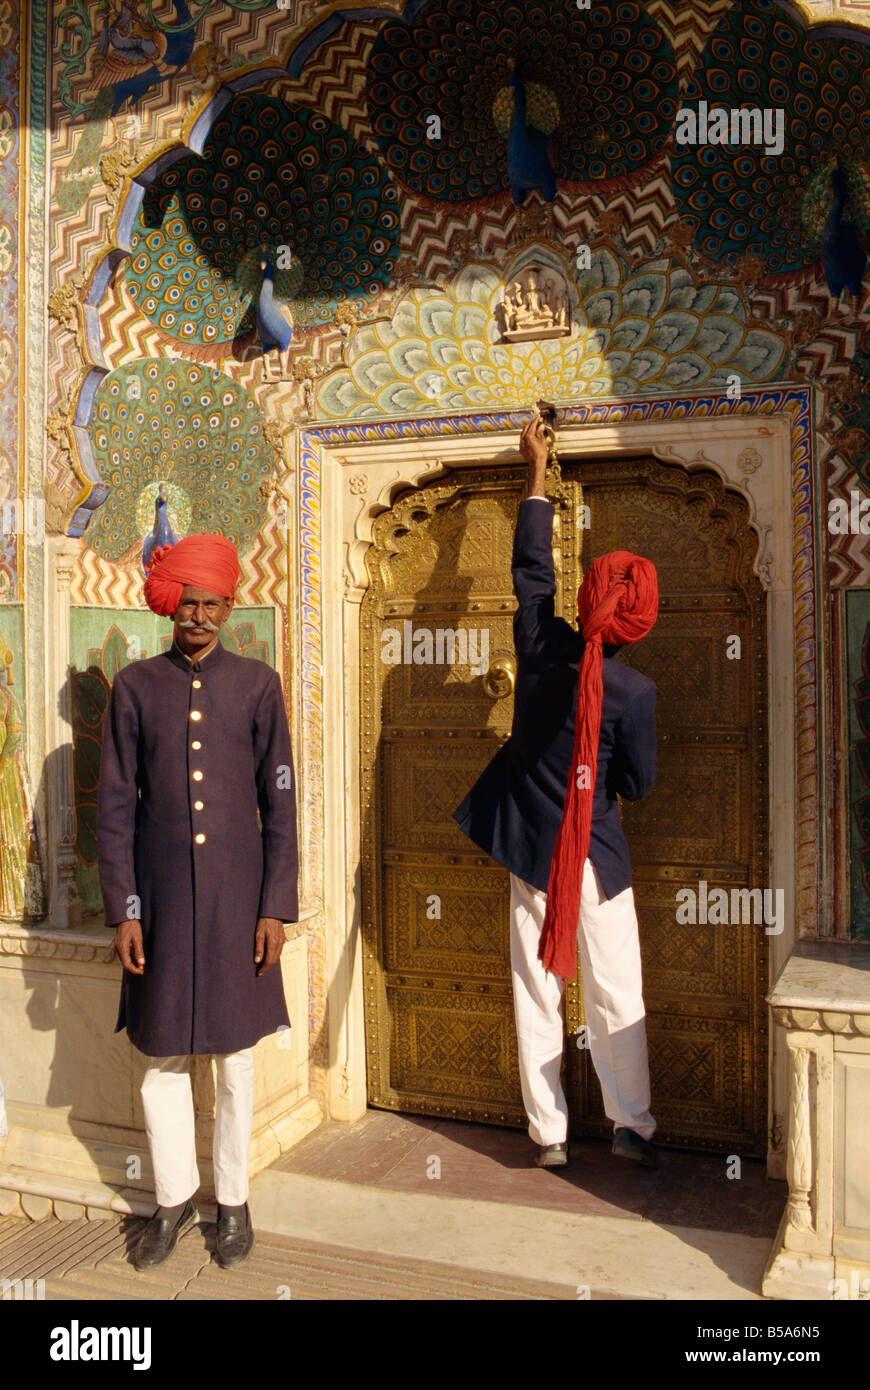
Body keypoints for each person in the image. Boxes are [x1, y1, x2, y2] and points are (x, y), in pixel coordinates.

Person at [453, 416, 660, 1169]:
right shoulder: (633, 695)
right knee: (615, 991)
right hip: (595, 861)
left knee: (536, 988)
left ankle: (549, 1137)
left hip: (534, 852)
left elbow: (530, 573)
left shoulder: (543, 652)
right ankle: (632, 1126)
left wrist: (535, 471)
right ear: (637, 625)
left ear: (588, 601)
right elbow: (636, 783)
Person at [97, 533, 298, 1269]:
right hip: (161, 906)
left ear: (229, 606)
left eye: (213, 603)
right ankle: (173, 1199)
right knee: (161, 1057)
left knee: (236, 1058)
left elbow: (281, 803)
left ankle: (234, 1201)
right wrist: (125, 907)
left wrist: (275, 904)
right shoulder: (136, 688)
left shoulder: (256, 684)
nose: (201, 616)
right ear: (169, 606)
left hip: (239, 901)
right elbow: (116, 806)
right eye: (189, 603)